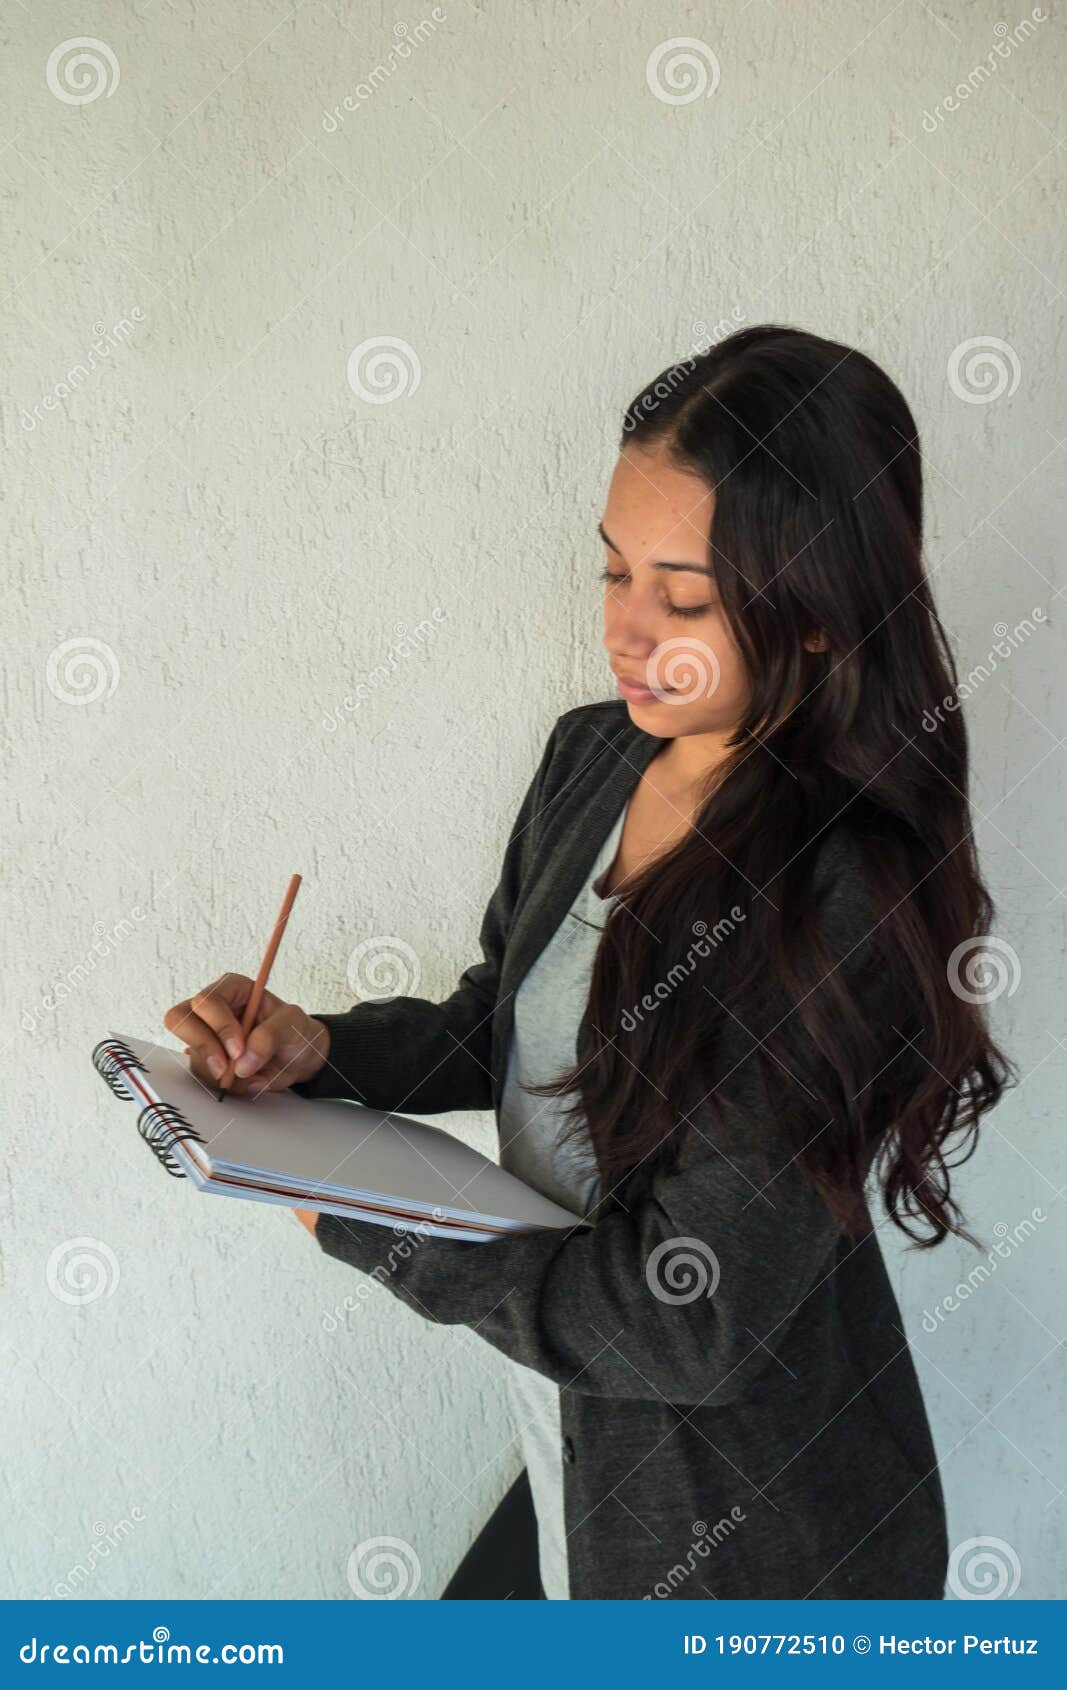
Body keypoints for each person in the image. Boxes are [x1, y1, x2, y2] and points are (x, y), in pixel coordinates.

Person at [165, 323, 1014, 1601]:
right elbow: (500, 1021)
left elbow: (687, 1319)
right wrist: (323, 1048)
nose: (624, 629)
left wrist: (370, 1222)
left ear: (826, 617)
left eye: (680, 597)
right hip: (573, 1432)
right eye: (612, 571)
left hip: (751, 1546)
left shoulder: (840, 893)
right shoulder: (593, 759)